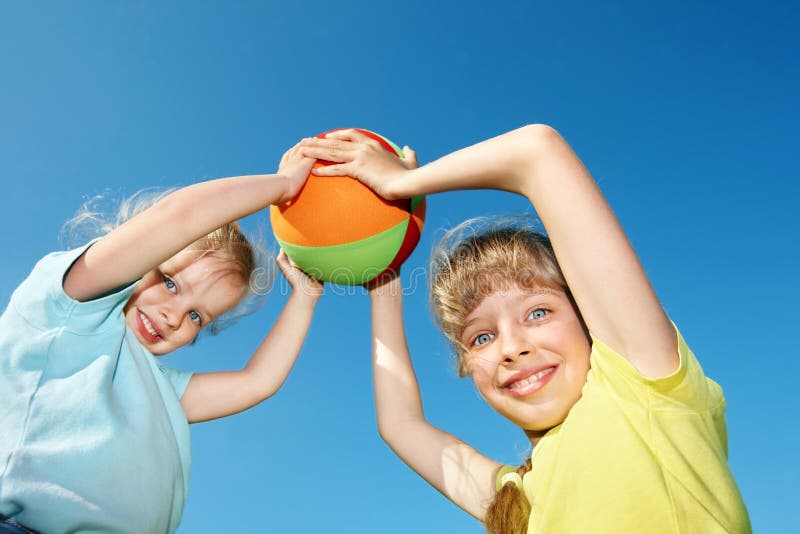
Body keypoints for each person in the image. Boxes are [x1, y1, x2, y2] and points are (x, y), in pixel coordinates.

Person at [300, 125, 751, 533]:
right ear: (465, 366)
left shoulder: (644, 390)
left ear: (590, 319)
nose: (511, 348)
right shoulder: (514, 499)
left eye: (537, 313)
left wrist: (403, 183)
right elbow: (400, 424)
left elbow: (537, 153)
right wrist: (384, 278)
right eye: (481, 337)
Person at [0, 143, 323, 533]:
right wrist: (283, 185)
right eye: (169, 282)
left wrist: (305, 298)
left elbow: (258, 382)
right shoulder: (68, 309)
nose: (174, 316)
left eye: (195, 316)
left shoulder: (160, 389)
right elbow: (179, 218)